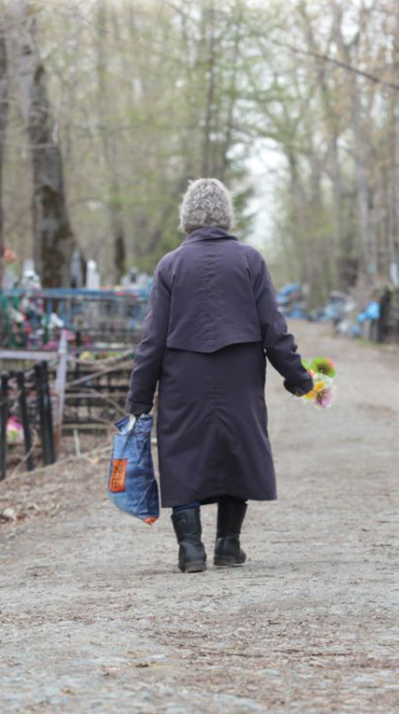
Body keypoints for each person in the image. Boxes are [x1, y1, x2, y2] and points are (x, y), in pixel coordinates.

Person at [125, 178, 314, 573]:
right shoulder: (250, 260)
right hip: (239, 373)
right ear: (226, 216)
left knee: (183, 452)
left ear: (186, 218)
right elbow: (273, 328)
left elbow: (152, 339)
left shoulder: (170, 265)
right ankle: (228, 545)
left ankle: (190, 549)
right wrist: (297, 377)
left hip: (182, 375)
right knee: (237, 448)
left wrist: (139, 400)